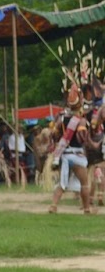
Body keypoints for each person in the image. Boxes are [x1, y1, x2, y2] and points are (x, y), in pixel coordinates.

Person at [48, 84, 96, 215]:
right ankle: (86, 208)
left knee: (62, 184)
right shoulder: (80, 121)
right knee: (85, 184)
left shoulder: (62, 119)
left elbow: (53, 134)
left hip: (65, 155)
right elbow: (82, 138)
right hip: (77, 155)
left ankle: (53, 205)